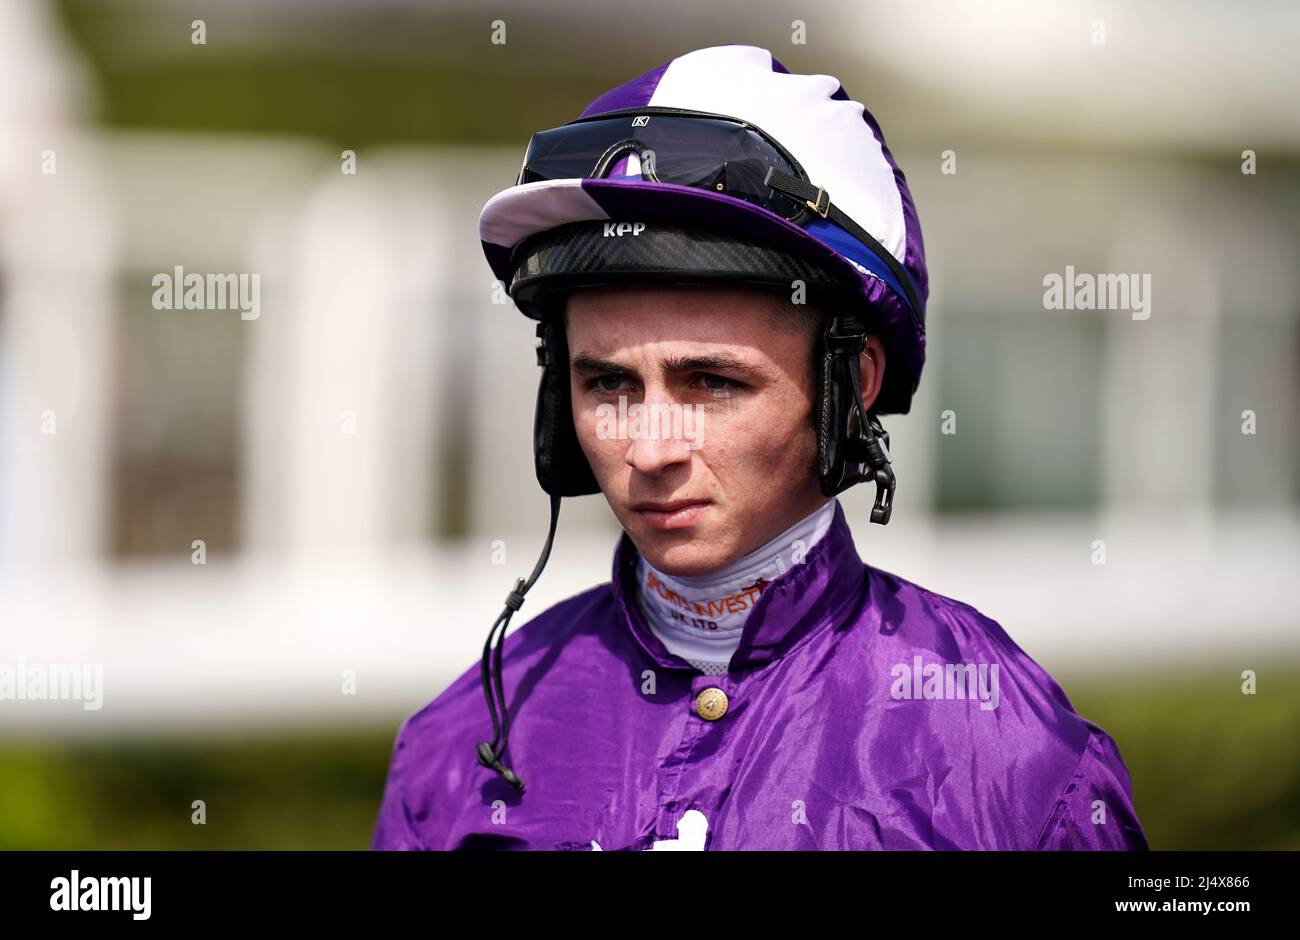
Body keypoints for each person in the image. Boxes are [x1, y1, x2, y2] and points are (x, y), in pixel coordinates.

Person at [371, 43, 1148, 850]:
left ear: (857, 382)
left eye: (711, 382)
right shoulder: (455, 747)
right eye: (607, 384)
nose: (648, 451)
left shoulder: (1020, 766)